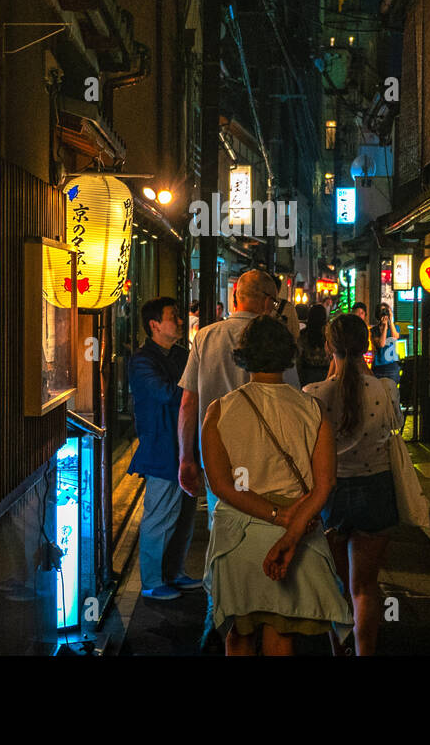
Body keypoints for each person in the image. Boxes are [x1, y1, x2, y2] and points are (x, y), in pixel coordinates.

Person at [200, 315, 352, 655]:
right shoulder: (312, 409)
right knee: (281, 634)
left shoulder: (219, 410)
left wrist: (277, 514)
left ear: (243, 355)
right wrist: (291, 526)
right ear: (288, 355)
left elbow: (222, 484)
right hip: (297, 529)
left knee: (239, 634)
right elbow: (325, 484)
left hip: (239, 534)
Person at [178, 269, 301, 651]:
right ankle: (265, 612)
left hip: (221, 465)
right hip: (269, 466)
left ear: (235, 296)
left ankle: (222, 614)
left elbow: (188, 402)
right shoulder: (276, 341)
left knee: (224, 539)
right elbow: (292, 405)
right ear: (267, 302)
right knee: (268, 538)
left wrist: (186, 458)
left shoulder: (206, 336)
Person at [303, 313, 401, 655]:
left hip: (331, 492)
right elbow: (396, 426)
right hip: (376, 488)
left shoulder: (313, 393)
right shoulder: (385, 389)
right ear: (366, 346)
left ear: (330, 346)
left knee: (337, 584)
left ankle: (338, 650)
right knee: (365, 587)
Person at [128, 297, 200, 600]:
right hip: (161, 446)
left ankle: (174, 572)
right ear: (154, 324)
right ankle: (152, 581)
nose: (180, 322)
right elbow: (169, 394)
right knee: (160, 514)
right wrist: (194, 390)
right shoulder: (142, 360)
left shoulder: (182, 354)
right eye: (174, 316)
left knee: (184, 513)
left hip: (184, 444)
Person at [296, 303, 331, 386]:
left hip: (308, 374)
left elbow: (299, 359)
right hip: (326, 374)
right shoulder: (328, 335)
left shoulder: (303, 335)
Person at [371, 303, 402, 384]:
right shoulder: (374, 330)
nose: (384, 313)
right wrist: (384, 327)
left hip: (391, 366)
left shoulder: (396, 327)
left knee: (392, 393)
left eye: (386, 311)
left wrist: (390, 321)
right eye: (382, 311)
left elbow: (394, 338)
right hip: (378, 366)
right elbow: (381, 344)